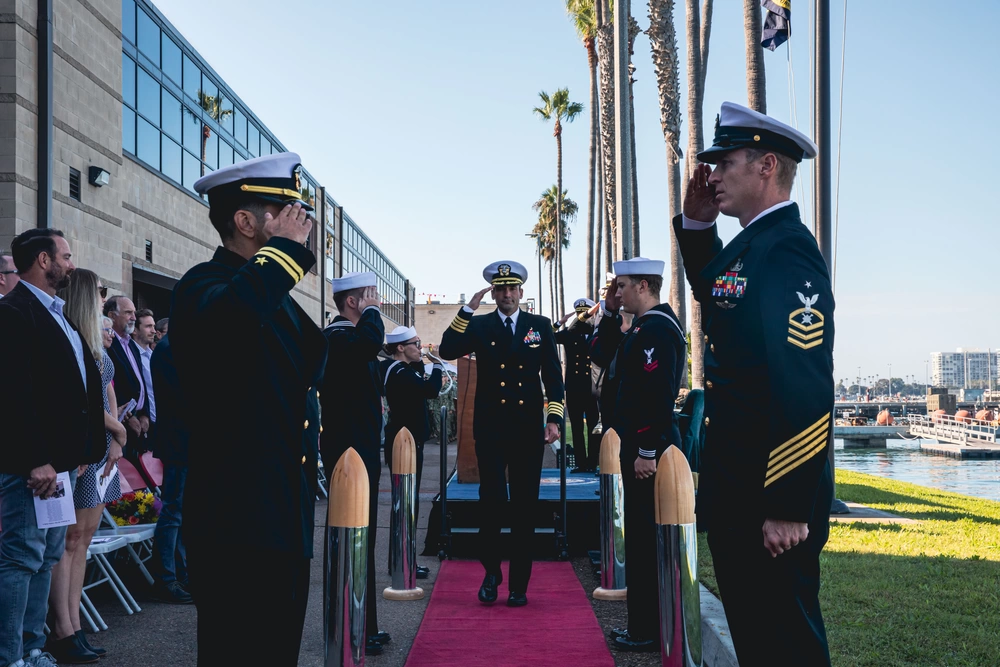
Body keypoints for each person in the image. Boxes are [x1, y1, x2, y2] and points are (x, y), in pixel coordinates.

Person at [674, 101, 835, 665]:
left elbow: (805, 385)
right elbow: (719, 303)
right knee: (757, 640)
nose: (712, 174)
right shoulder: (752, 245)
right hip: (741, 490)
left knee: (785, 645)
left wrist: (789, 504)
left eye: (725, 162)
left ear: (767, 165)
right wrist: (697, 225)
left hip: (772, 495)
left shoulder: (786, 248)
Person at [170, 152, 327, 664]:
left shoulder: (270, 294)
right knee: (238, 651)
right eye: (284, 211)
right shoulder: (203, 285)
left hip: (283, 509)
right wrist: (283, 254)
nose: (299, 221)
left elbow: (314, 360)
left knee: (276, 649)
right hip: (236, 516)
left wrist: (290, 255)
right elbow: (231, 320)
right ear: (244, 221)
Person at [0, 229, 106, 667]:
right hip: (33, 467)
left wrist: (80, 451)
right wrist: (38, 459)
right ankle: (11, 656)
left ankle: (32, 647)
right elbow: (14, 394)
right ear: (43, 260)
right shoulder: (14, 312)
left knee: (44, 558)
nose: (71, 263)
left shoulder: (58, 313)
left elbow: (74, 389)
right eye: (65, 255)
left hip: (61, 466)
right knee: (22, 558)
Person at [437, 261, 564, 608]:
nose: (507, 295)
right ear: (492, 293)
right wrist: (466, 309)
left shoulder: (539, 326)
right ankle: (491, 573)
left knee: (525, 506)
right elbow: (447, 349)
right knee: (491, 504)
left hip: (526, 429)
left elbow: (553, 377)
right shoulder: (479, 325)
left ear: (521, 292)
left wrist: (553, 418)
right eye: (500, 289)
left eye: (512, 289)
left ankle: (519, 584)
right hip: (491, 428)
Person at [589, 258, 686, 652]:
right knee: (641, 538)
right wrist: (610, 312)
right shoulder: (642, 327)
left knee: (646, 542)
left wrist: (646, 450)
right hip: (638, 444)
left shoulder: (658, 330)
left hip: (649, 448)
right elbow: (598, 351)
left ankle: (646, 629)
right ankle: (643, 625)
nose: (618, 292)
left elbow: (655, 396)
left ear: (644, 286)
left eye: (623, 286)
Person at [46, 272, 126, 664]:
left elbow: (107, 390)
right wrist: (119, 429)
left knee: (85, 539)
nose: (103, 298)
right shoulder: (71, 337)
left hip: (100, 448)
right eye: (100, 292)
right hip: (82, 448)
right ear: (85, 295)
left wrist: (115, 436)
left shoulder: (93, 339)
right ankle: (62, 627)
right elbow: (86, 400)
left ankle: (75, 623)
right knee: (69, 541)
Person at [319, 271, 389, 656]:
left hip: (358, 448)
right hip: (349, 452)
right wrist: (373, 311)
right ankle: (351, 622)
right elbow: (370, 344)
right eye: (371, 296)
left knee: (362, 538)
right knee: (351, 538)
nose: (376, 301)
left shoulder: (348, 339)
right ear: (353, 302)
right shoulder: (340, 337)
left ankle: (363, 623)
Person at [380, 325, 443, 579]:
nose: (420, 348)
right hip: (404, 445)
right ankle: (402, 561)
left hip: (407, 442)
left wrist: (420, 361)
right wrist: (437, 364)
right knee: (406, 505)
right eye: (415, 344)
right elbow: (431, 390)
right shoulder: (399, 373)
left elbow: (418, 380)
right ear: (400, 348)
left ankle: (404, 559)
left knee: (407, 504)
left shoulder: (398, 369)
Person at [148, 329, 192, 604]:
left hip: (186, 442)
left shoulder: (176, 345)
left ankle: (182, 573)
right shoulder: (169, 348)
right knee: (173, 512)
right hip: (179, 442)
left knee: (182, 512)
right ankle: (166, 578)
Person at [554, 297, 600, 473]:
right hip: (573, 387)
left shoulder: (598, 332)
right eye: (581, 313)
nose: (584, 316)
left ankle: (593, 463)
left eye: (586, 313)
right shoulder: (569, 333)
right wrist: (560, 322)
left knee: (594, 426)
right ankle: (581, 463)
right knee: (576, 426)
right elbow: (548, 335)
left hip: (592, 387)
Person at [103, 295, 150, 457]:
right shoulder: (108, 344)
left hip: (139, 424)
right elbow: (111, 383)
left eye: (134, 313)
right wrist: (127, 417)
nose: (133, 318)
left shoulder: (131, 344)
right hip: (120, 421)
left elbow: (142, 383)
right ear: (111, 315)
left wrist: (145, 413)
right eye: (128, 312)